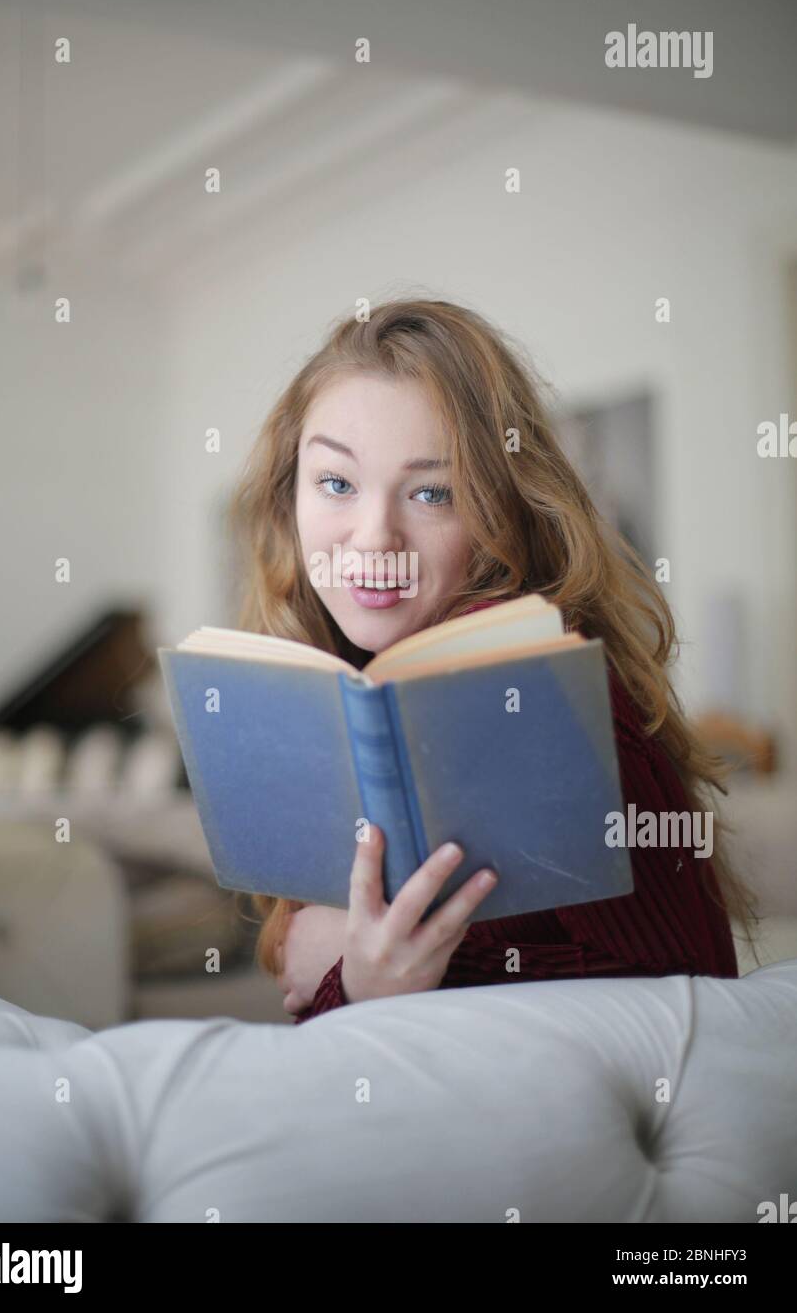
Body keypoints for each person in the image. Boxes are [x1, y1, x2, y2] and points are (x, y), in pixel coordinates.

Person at [228, 298, 760, 1022]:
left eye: (431, 492)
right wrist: (357, 980)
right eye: (337, 483)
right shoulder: (338, 680)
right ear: (290, 493)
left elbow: (694, 988)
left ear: (499, 509)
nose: (374, 538)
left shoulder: (541, 691)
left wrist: (379, 976)